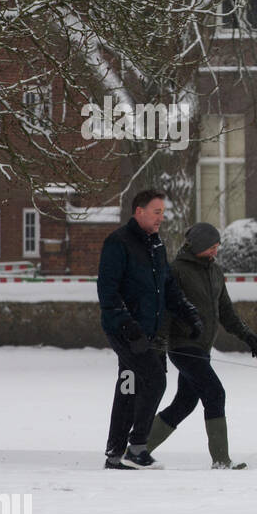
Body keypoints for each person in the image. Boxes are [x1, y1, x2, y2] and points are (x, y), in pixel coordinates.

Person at [145, 222, 257, 470]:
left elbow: (227, 313)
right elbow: (166, 311)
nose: (216, 251)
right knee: (215, 393)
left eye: (217, 246)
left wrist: (252, 340)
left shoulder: (216, 272)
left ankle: (138, 448)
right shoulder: (177, 271)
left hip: (202, 349)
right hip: (184, 346)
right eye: (212, 247)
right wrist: (160, 346)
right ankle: (221, 460)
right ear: (199, 246)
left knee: (184, 403)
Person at [99, 190, 203, 470]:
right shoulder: (117, 243)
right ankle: (137, 448)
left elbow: (168, 287)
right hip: (126, 332)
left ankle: (114, 453)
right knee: (155, 381)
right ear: (139, 211)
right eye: (156, 212)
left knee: (128, 386)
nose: (161, 217)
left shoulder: (156, 245)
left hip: (151, 331)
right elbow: (108, 293)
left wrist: (189, 314)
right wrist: (128, 326)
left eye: (163, 212)